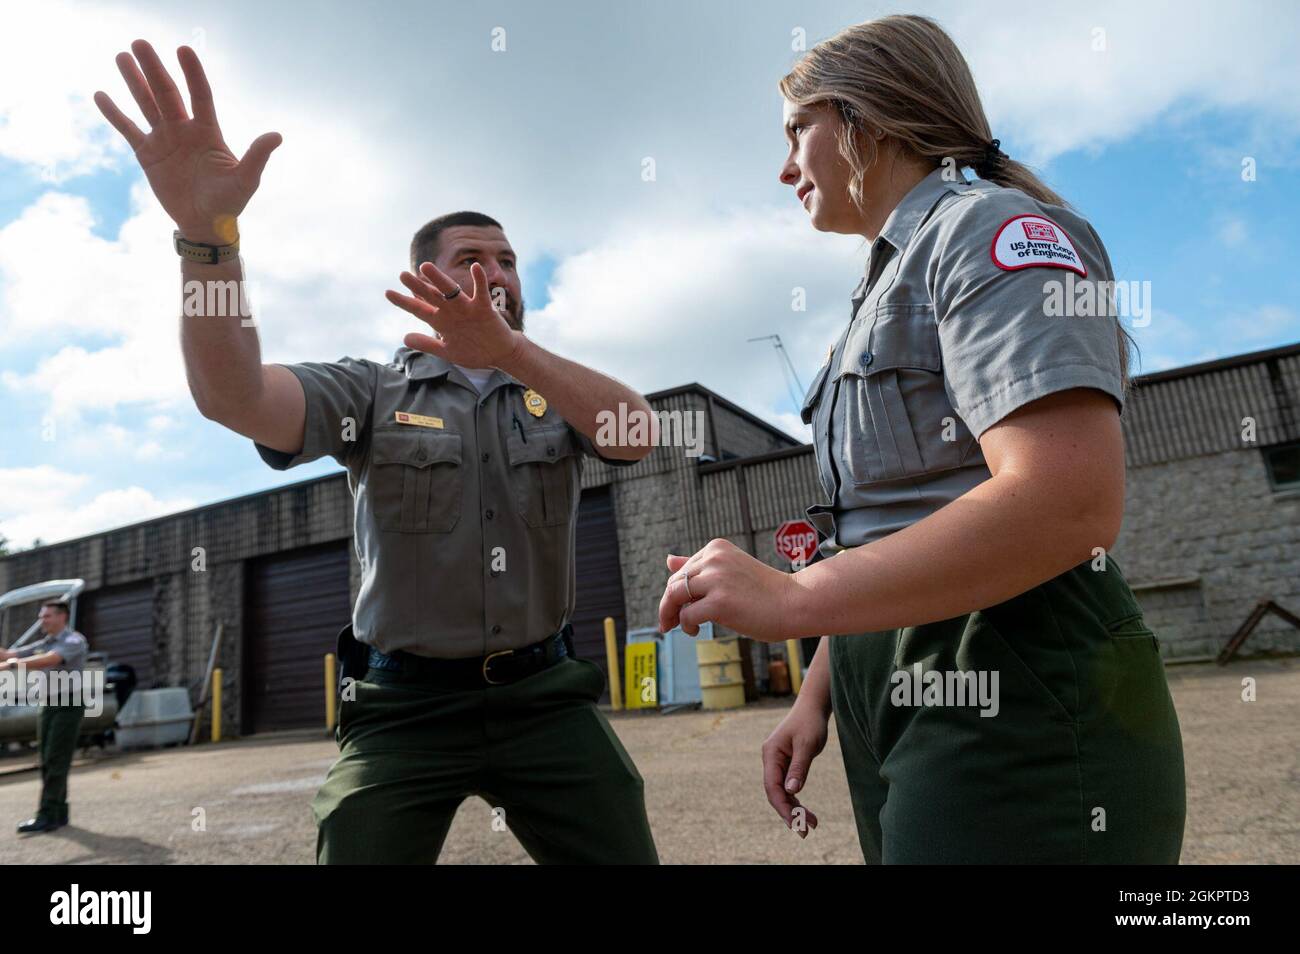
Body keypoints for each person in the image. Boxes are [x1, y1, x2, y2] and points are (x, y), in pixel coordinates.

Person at [95, 40, 659, 864]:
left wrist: (514, 355)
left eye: (508, 260)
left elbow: (639, 435)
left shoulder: (553, 391)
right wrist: (204, 234)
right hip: (403, 708)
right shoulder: (368, 391)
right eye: (472, 259)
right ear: (424, 281)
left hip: (546, 698)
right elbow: (233, 397)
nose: (497, 272)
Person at [657, 14, 1186, 864]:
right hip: (893, 667)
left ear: (867, 114)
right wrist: (821, 695)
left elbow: (1069, 501)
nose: (785, 166)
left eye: (799, 130)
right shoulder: (876, 288)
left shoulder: (991, 230)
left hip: (1010, 660)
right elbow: (886, 521)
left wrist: (795, 600)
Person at [1, 601, 89, 834]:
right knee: (47, 759)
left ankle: (47, 815)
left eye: (47, 616)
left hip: (68, 703)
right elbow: (10, 654)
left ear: (62, 617)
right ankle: (59, 813)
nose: (43, 620)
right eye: (42, 616)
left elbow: (50, 660)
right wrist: (8, 658)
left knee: (55, 759)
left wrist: (11, 665)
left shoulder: (73, 640)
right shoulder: (45, 642)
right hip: (49, 703)